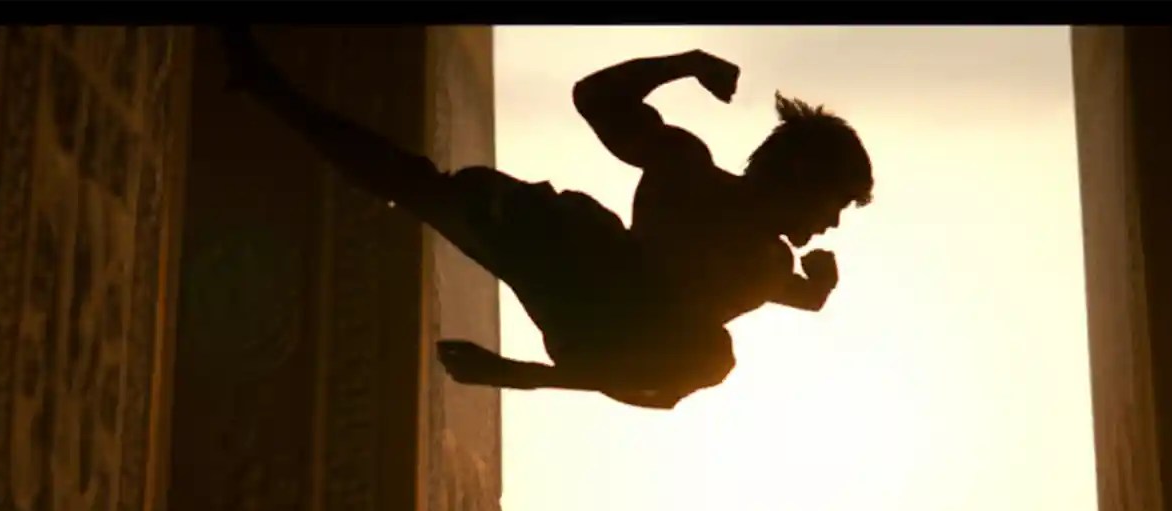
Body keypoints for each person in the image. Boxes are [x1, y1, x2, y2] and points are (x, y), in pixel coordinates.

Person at [220, 29, 873, 410]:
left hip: (581, 296)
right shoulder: (693, 178)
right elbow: (595, 97)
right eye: (835, 204)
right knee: (416, 184)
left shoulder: (754, 253)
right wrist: (684, 64)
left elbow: (669, 349)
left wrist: (521, 374)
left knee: (712, 356)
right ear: (797, 178)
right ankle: (264, 86)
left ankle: (266, 87)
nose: (833, 223)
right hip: (562, 255)